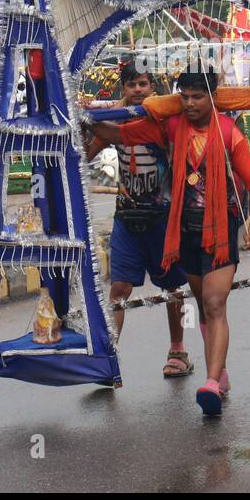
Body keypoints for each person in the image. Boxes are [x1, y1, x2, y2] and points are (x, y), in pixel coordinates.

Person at [91, 71, 250, 416]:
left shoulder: (229, 132)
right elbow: (120, 135)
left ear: (212, 98)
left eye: (198, 97)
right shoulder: (169, 128)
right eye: (184, 97)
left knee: (215, 304)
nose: (190, 104)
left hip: (219, 231)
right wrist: (86, 117)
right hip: (182, 231)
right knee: (199, 302)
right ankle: (221, 372)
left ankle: (211, 383)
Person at [84, 61, 193, 379]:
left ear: (153, 89)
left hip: (162, 218)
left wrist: (94, 119)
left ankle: (178, 350)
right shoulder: (114, 123)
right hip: (126, 218)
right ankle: (109, 357)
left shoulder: (163, 123)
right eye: (131, 85)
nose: (137, 90)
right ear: (124, 89)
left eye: (143, 84)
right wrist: (84, 123)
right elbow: (86, 152)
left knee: (174, 288)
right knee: (119, 289)